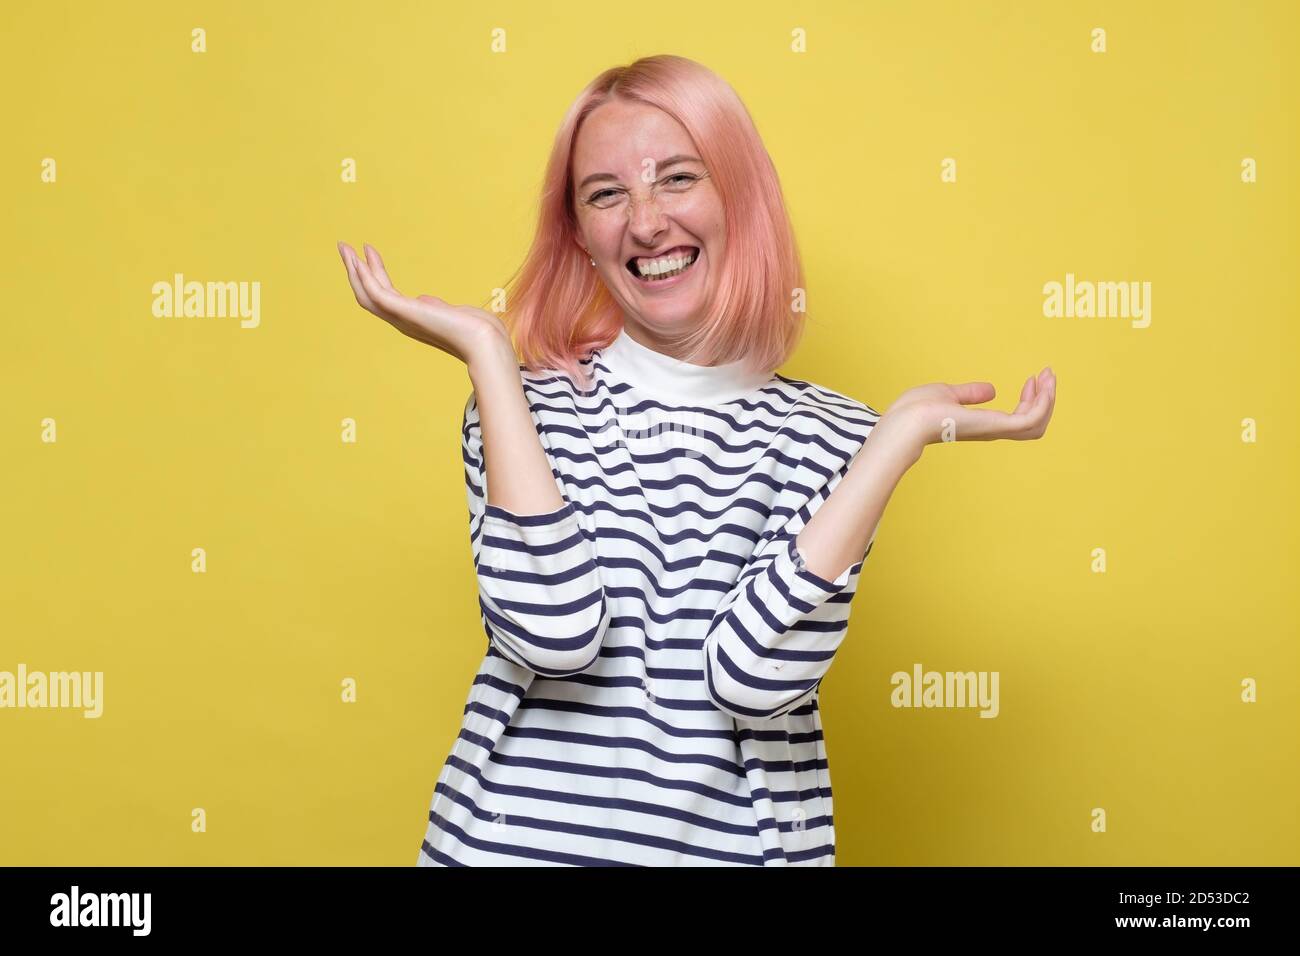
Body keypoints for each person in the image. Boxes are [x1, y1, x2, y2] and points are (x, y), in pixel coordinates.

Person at [336, 54, 1056, 866]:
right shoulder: (524, 409)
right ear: (580, 234)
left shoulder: (834, 438)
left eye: (677, 178)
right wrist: (490, 360)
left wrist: (893, 442)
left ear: (739, 197)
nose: (645, 222)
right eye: (607, 194)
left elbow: (750, 676)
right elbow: (555, 632)